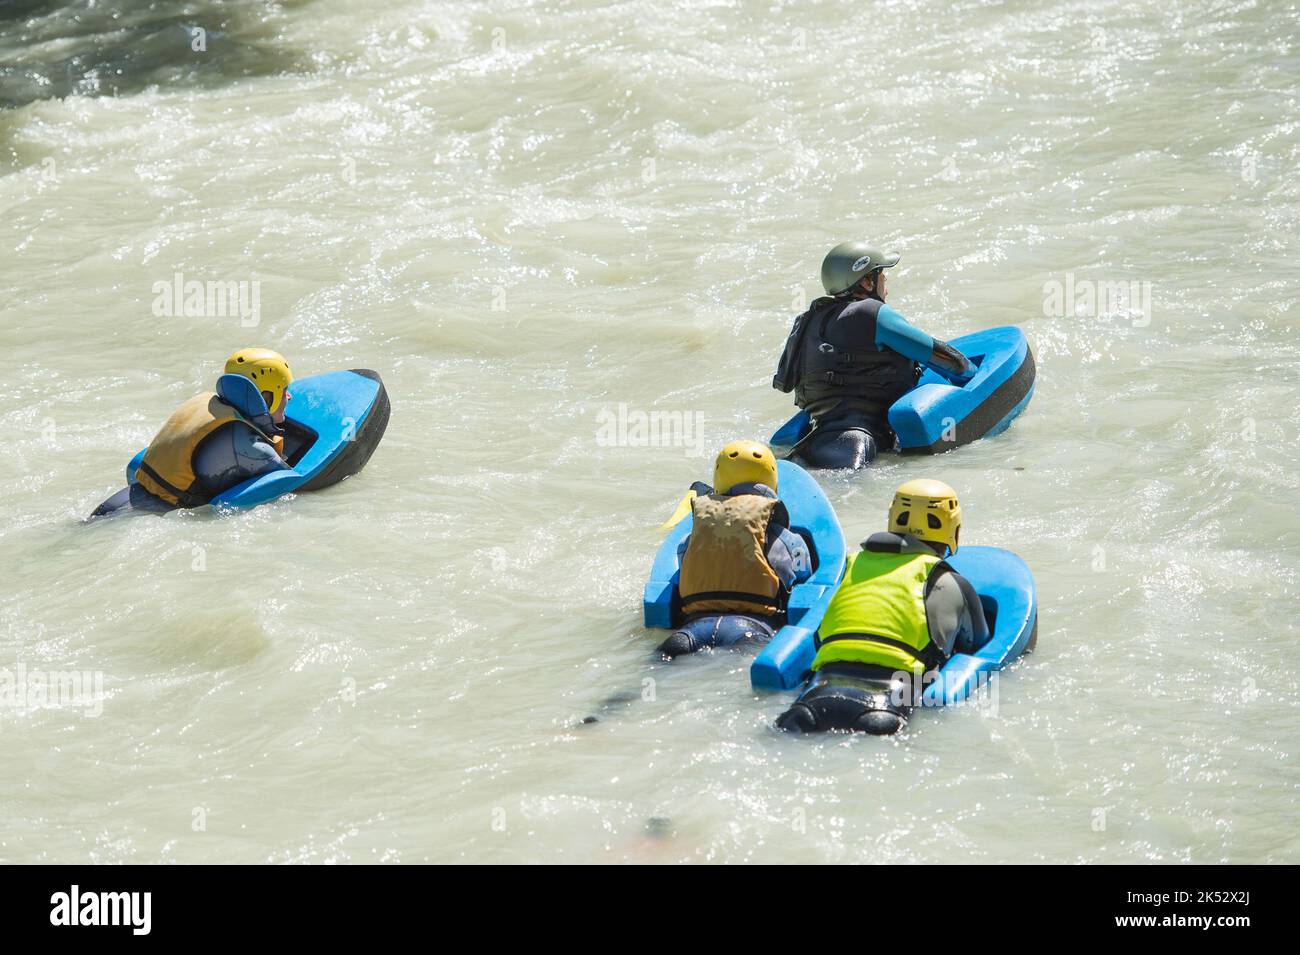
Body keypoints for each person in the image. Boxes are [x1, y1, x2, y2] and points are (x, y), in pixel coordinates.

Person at [776, 479, 989, 735]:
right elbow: (977, 644)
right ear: (951, 526)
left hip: (813, 699)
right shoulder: (949, 581)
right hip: (884, 709)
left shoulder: (852, 565)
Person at [773, 241, 977, 469]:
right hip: (860, 443)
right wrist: (977, 376)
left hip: (811, 440)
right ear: (867, 282)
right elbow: (953, 363)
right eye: (881, 274)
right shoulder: (872, 313)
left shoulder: (808, 321)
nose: (886, 281)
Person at [89, 348, 294, 518]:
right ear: (267, 396)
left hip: (130, 496)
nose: (289, 396)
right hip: (154, 514)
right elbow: (291, 483)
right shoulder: (249, 447)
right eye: (284, 390)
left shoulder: (207, 403)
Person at [658, 441, 812, 658]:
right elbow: (801, 575)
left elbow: (684, 566)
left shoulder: (694, 535)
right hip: (750, 628)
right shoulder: (782, 536)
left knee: (659, 663)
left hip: (693, 628)